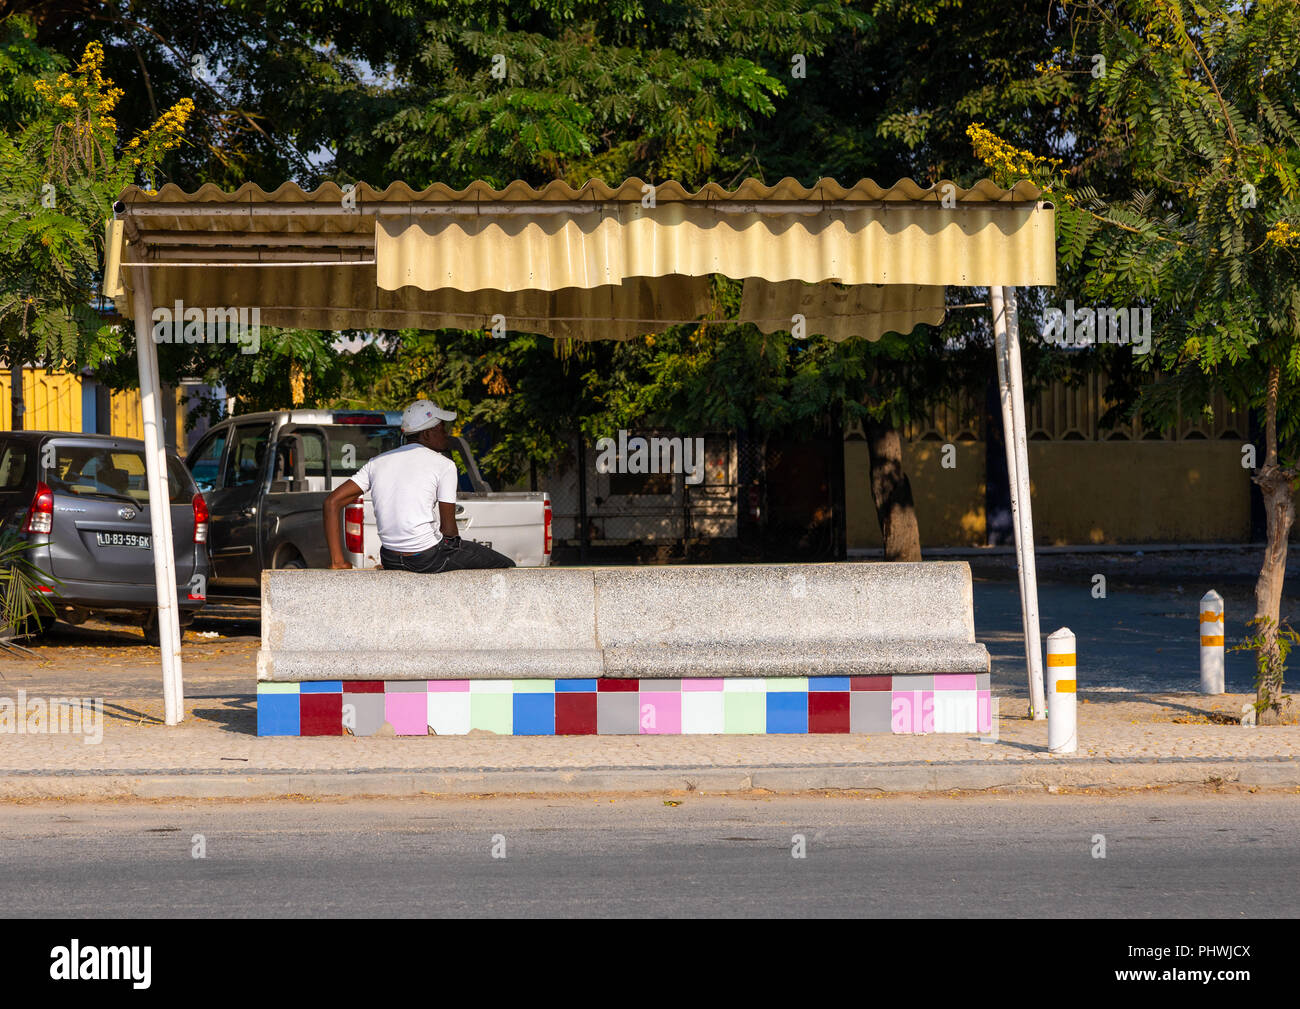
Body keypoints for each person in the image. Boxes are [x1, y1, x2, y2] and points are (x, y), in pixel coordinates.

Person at [323, 399, 516, 572]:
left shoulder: (377, 462)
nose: (446, 434)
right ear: (427, 434)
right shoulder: (444, 465)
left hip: (390, 558)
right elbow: (449, 531)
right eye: (442, 428)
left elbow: (332, 502)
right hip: (427, 558)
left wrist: (338, 562)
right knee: (505, 565)